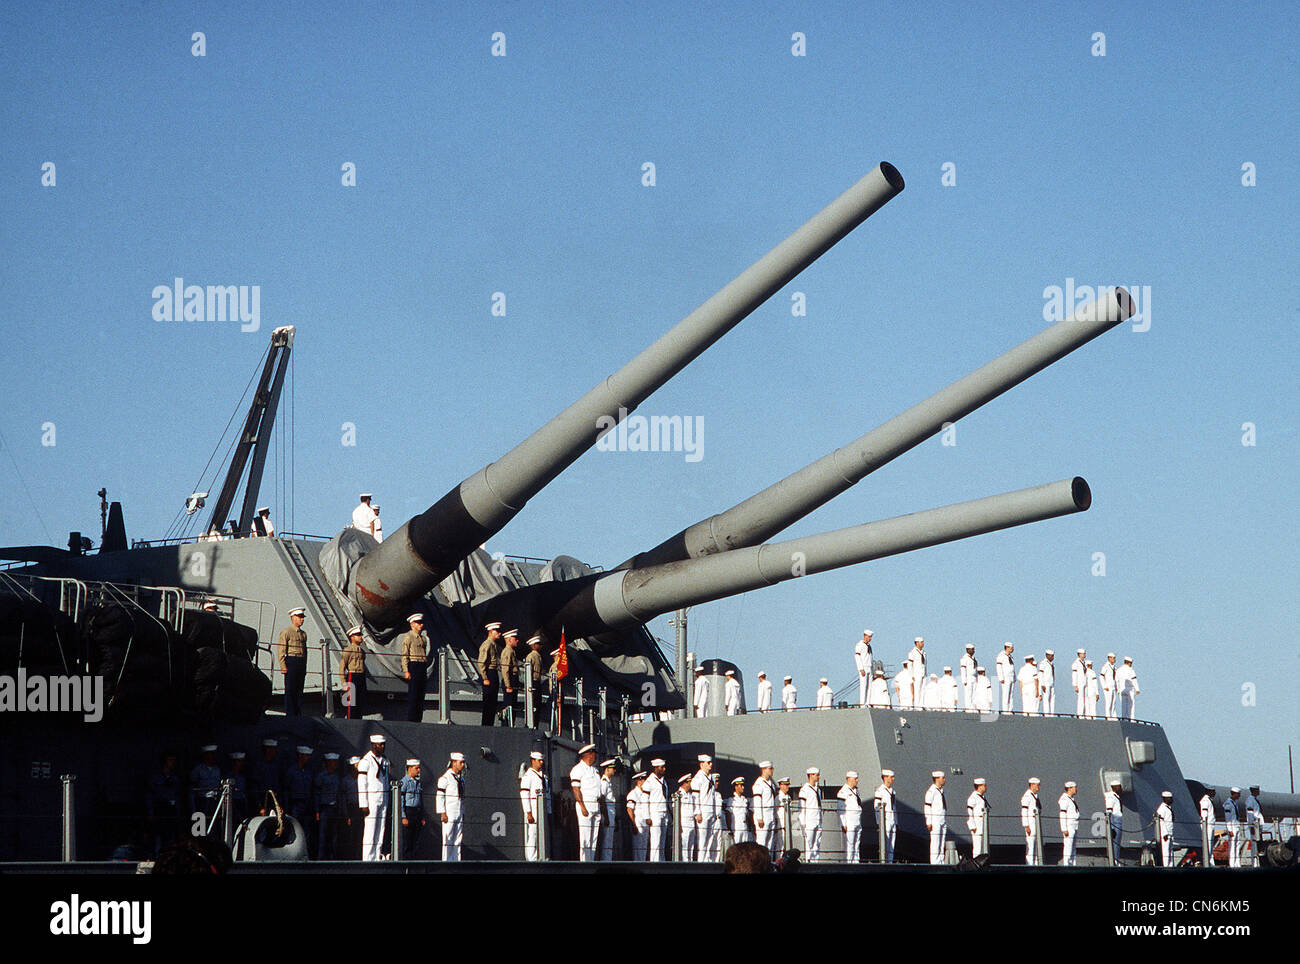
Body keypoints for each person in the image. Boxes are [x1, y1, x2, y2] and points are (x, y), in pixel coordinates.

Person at [357, 735, 391, 861]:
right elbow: (362, 783)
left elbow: (385, 781)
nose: (382, 747)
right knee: (370, 831)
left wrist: (387, 800)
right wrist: (364, 804)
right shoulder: (366, 761)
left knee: (380, 830)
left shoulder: (384, 761)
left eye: (383, 745)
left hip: (382, 798)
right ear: (373, 745)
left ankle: (377, 857)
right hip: (371, 799)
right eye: (379, 745)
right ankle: (367, 859)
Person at [145, 751, 183, 856]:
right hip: (159, 809)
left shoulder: (175, 779)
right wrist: (151, 813)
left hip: (171, 811)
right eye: (170, 760)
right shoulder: (155, 778)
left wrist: (178, 813)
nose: (173, 763)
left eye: (174, 760)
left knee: (170, 838)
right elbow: (149, 796)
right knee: (157, 838)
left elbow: (177, 797)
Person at [570, 744, 602, 862]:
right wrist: (582, 806)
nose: (595, 757)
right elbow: (576, 789)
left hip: (596, 805)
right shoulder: (578, 769)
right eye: (594, 754)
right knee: (585, 837)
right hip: (585, 805)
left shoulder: (595, 770)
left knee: (594, 838)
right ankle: (585, 863)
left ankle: (591, 861)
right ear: (589, 755)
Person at [435, 752, 467, 860]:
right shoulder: (445, 778)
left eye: (463, 762)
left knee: (458, 839)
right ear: (454, 763)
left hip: (459, 812)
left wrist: (463, 812)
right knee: (448, 838)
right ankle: (446, 861)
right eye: (461, 762)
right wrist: (442, 812)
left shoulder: (461, 779)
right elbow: (440, 796)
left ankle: (456, 861)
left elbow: (462, 797)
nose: (463, 765)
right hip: (449, 812)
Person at [277, 607, 308, 717]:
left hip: (300, 662)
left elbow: (305, 651)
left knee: (299, 689)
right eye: (299, 617)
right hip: (291, 660)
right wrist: (283, 665)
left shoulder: (303, 634)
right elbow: (281, 650)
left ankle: (298, 714)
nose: (302, 619)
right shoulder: (287, 632)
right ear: (293, 617)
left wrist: (304, 665)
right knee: (290, 689)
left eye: (302, 617)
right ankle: (290, 714)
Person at [520, 751, 550, 861]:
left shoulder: (543, 777)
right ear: (533, 761)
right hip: (533, 808)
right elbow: (524, 794)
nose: (541, 762)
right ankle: (531, 858)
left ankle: (541, 856)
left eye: (542, 760)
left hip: (543, 808)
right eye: (539, 760)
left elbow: (547, 794)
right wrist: (528, 812)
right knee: (533, 834)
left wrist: (549, 810)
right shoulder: (528, 776)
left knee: (542, 833)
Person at [400, 613, 430, 723]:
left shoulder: (423, 639)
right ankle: (412, 718)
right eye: (418, 623)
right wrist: (406, 670)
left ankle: (418, 718)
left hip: (422, 666)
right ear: (412, 624)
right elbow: (405, 655)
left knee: (421, 694)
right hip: (414, 665)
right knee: (413, 693)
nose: (421, 625)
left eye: (421, 623)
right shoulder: (409, 638)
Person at [314, 753, 344, 860]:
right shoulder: (321, 776)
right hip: (324, 809)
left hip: (334, 809)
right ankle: (320, 858)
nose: (335, 764)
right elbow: (317, 794)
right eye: (333, 762)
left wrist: (340, 809)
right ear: (328, 763)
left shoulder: (336, 777)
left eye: (336, 762)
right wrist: (317, 811)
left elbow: (339, 794)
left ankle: (332, 859)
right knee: (322, 836)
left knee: (334, 836)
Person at [285, 746, 316, 847]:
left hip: (307, 804)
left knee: (306, 831)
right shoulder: (291, 771)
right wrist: (286, 807)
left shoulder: (309, 771)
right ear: (300, 756)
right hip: (295, 804)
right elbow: (286, 789)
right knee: (294, 829)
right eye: (306, 756)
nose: (308, 758)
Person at [692, 755, 720, 862]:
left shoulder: (711, 777)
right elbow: (695, 797)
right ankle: (701, 862)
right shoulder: (698, 778)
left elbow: (712, 796)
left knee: (710, 839)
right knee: (702, 840)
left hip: (711, 811)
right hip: (703, 812)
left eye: (710, 762)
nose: (710, 764)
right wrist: (697, 812)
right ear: (701, 764)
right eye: (708, 763)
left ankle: (707, 860)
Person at [643, 758, 670, 861]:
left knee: (662, 841)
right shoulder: (649, 782)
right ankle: (654, 862)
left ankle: (661, 862)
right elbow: (644, 800)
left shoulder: (664, 781)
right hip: (655, 813)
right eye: (661, 767)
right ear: (656, 768)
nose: (664, 769)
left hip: (664, 812)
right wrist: (647, 816)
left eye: (664, 767)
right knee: (655, 841)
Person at [338, 625, 367, 719]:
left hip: (361, 676)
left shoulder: (362, 651)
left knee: (360, 701)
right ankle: (351, 720)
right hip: (352, 676)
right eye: (358, 635)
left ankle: (359, 719)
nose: (360, 637)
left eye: (360, 635)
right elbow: (342, 667)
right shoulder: (348, 650)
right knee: (351, 701)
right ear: (352, 637)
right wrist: (344, 683)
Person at [188, 744, 222, 826]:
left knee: (215, 823)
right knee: (202, 824)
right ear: (206, 755)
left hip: (215, 800)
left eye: (214, 754)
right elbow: (192, 785)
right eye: (211, 754)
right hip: (202, 800)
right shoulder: (198, 769)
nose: (213, 757)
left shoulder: (217, 769)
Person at [400, 759, 427, 859]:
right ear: (410, 768)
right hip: (409, 812)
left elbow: (420, 800)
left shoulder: (418, 782)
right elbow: (401, 800)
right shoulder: (404, 782)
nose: (419, 770)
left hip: (417, 812)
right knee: (408, 840)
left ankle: (414, 862)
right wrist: (403, 816)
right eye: (416, 768)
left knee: (416, 840)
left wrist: (422, 816)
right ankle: (407, 863)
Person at [477, 622, 503, 726]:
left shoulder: (494, 645)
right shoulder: (487, 644)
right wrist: (485, 677)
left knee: (493, 702)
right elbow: (481, 662)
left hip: (494, 673)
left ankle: (490, 724)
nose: (499, 633)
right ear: (491, 632)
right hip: (489, 673)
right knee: (488, 702)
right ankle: (486, 725)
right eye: (497, 631)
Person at [250, 738, 284, 816]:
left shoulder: (276, 766)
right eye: (272, 749)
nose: (274, 751)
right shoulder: (258, 766)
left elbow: (279, 786)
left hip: (274, 800)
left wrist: (280, 805)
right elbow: (254, 787)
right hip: (262, 800)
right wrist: (260, 807)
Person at [752, 761, 778, 853]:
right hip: (764, 815)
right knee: (762, 842)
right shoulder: (759, 784)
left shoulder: (771, 784)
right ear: (764, 770)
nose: (772, 770)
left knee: (770, 843)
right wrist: (760, 818)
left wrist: (775, 816)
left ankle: (768, 860)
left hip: (771, 814)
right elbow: (757, 802)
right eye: (770, 769)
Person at [837, 771, 862, 863]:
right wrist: (843, 823)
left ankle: (856, 862)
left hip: (857, 820)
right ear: (849, 779)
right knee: (849, 845)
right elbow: (840, 808)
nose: (857, 780)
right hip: (849, 821)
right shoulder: (843, 792)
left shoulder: (856, 791)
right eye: (855, 779)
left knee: (856, 844)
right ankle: (849, 863)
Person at [498, 629, 521, 725]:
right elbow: (505, 669)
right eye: (515, 639)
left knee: (512, 704)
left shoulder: (511, 651)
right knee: (509, 704)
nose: (517, 640)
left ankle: (509, 724)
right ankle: (506, 725)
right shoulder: (508, 651)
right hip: (510, 679)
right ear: (509, 640)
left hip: (512, 679)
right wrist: (508, 685)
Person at [799, 767, 823, 862]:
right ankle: (808, 862)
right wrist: (803, 822)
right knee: (809, 843)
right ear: (811, 775)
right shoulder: (805, 790)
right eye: (817, 775)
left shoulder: (818, 790)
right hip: (809, 819)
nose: (818, 777)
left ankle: (815, 862)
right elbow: (801, 807)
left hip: (818, 818)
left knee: (817, 843)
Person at [925, 771, 948, 864]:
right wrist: (929, 821)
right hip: (935, 820)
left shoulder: (941, 791)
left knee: (942, 842)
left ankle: (941, 861)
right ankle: (934, 862)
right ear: (937, 779)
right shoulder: (931, 791)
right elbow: (927, 807)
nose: (944, 780)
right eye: (943, 778)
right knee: (935, 842)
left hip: (942, 819)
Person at [874, 769, 897, 862]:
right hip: (885, 820)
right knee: (885, 844)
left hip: (892, 820)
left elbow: (894, 807)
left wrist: (896, 822)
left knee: (892, 843)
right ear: (885, 778)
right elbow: (877, 808)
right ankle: (884, 862)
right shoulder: (880, 791)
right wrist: (879, 822)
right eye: (891, 777)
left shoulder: (892, 791)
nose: (893, 779)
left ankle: (890, 861)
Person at [524, 634, 547, 727]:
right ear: (534, 645)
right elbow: (528, 671)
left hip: (537, 682)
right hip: (532, 682)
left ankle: (535, 725)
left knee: (537, 705)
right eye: (538, 644)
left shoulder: (538, 656)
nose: (540, 646)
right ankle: (531, 724)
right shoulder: (531, 656)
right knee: (533, 705)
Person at [598, 759, 618, 860]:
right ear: (607, 769)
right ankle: (606, 861)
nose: (614, 770)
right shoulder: (604, 783)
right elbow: (602, 800)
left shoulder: (608, 782)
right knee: (607, 840)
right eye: (612, 768)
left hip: (611, 813)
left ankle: (608, 860)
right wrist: (606, 817)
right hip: (607, 813)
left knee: (609, 840)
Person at [626, 771, 648, 860]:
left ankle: (643, 863)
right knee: (638, 848)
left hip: (645, 823)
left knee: (644, 847)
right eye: (644, 780)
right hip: (638, 823)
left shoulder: (645, 794)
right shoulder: (633, 793)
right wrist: (633, 824)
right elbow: (629, 809)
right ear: (639, 781)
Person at [1021, 777, 1042, 865]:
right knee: (1031, 845)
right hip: (1030, 823)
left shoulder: (1035, 796)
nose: (1039, 787)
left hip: (1036, 823)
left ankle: (1037, 863)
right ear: (1032, 785)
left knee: (1037, 845)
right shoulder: (1027, 796)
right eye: (1037, 785)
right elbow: (1024, 811)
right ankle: (1029, 864)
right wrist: (1026, 825)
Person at [676, 774, 698, 861]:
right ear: (684, 783)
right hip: (683, 821)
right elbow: (675, 809)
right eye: (689, 782)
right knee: (685, 844)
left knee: (691, 844)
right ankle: (684, 861)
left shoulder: (690, 795)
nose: (690, 784)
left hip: (691, 821)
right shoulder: (678, 794)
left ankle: (690, 860)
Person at [966, 778, 989, 858]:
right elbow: (970, 812)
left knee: (983, 846)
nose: (986, 787)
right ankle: (976, 862)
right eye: (984, 785)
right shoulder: (973, 797)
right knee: (977, 847)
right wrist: (973, 826)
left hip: (983, 825)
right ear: (979, 787)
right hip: (977, 825)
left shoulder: (982, 797)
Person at [1059, 781, 1080, 866]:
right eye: (1075, 787)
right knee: (1068, 846)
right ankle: (1067, 864)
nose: (1076, 789)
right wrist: (1064, 828)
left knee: (1073, 847)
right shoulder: (1065, 799)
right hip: (1069, 825)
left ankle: (1072, 864)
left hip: (1074, 825)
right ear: (1070, 788)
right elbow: (1062, 814)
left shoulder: (1070, 799)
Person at [728, 777, 752, 844]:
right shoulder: (732, 800)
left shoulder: (744, 799)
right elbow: (728, 814)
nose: (743, 787)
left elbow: (747, 814)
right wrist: (730, 828)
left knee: (745, 846)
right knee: (737, 846)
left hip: (744, 827)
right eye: (741, 786)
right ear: (736, 787)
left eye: (743, 786)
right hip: (736, 828)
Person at [1104, 778, 1124, 860]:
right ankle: (1114, 861)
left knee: (1117, 845)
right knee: (1115, 845)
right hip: (1114, 824)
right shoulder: (1111, 797)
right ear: (1115, 787)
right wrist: (1111, 828)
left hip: (1118, 823)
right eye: (1119, 787)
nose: (1121, 789)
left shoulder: (1116, 797)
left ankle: (1116, 860)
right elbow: (1109, 812)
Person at [1245, 786, 1264, 868]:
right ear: (1254, 791)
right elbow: (1250, 814)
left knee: (1257, 843)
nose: (1259, 791)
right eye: (1257, 790)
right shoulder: (1250, 800)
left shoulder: (1254, 800)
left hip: (1257, 825)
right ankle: (1254, 863)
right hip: (1254, 825)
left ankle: (1257, 862)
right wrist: (1251, 825)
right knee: (1254, 844)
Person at [1223, 787, 1242, 868]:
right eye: (1238, 794)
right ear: (1234, 793)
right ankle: (1232, 864)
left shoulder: (1234, 803)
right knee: (1232, 846)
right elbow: (1227, 818)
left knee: (1237, 845)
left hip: (1237, 826)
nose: (1239, 796)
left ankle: (1237, 863)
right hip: (1232, 827)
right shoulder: (1228, 803)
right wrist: (1229, 829)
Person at [1155, 790, 1175, 867]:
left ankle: (1170, 866)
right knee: (1166, 852)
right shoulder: (1162, 809)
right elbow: (1161, 822)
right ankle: (1166, 866)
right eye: (1169, 798)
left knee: (1170, 852)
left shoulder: (1168, 808)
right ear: (1165, 798)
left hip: (1170, 833)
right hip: (1165, 834)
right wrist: (1164, 833)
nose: (1171, 800)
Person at [855, 630, 874, 706]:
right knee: (863, 686)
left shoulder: (869, 646)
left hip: (869, 666)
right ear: (865, 636)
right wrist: (860, 668)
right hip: (864, 667)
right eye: (869, 637)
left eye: (871, 637)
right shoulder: (860, 645)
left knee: (869, 686)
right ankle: (862, 703)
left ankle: (867, 702)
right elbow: (857, 656)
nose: (870, 638)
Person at [907, 637, 928, 705]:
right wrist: (911, 675)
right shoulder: (912, 652)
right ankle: (917, 705)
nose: (923, 643)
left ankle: (921, 704)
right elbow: (910, 665)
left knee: (923, 690)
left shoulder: (924, 653)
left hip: (923, 673)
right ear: (917, 643)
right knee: (917, 690)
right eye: (921, 642)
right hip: (916, 673)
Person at [1198, 787, 1217, 861]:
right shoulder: (1205, 801)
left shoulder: (1209, 800)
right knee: (1208, 845)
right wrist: (1204, 827)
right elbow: (1204, 815)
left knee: (1210, 845)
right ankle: (1207, 861)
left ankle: (1210, 861)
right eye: (1213, 791)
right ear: (1209, 791)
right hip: (1207, 826)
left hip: (1210, 825)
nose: (1215, 793)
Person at [996, 642, 1015, 712]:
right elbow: (999, 667)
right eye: (1011, 648)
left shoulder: (1010, 657)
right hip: (1005, 677)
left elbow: (1012, 667)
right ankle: (1005, 710)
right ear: (1007, 648)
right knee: (1006, 694)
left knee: (1011, 695)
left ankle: (1010, 710)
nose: (1012, 649)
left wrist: (1014, 677)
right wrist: (1001, 678)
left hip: (1011, 677)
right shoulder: (1001, 655)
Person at [775, 778, 792, 853]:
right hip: (780, 824)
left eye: (788, 785)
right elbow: (775, 812)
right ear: (781, 786)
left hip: (788, 824)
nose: (787, 787)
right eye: (785, 785)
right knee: (780, 845)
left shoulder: (788, 797)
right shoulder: (778, 798)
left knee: (787, 844)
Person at [1100, 653, 1119, 720]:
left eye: (1114, 658)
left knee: (1113, 702)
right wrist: (1104, 686)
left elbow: (1115, 678)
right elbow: (1101, 676)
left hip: (1113, 686)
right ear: (1109, 658)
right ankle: (1108, 716)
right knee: (1109, 702)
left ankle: (1113, 716)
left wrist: (1117, 687)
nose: (1114, 659)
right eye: (1113, 658)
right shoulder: (1106, 666)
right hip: (1108, 687)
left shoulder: (1114, 668)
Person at [959, 644, 977, 708]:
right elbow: (963, 669)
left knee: (974, 694)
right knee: (968, 694)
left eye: (973, 649)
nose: (973, 651)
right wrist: (964, 680)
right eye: (972, 649)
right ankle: (968, 707)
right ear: (967, 650)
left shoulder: (973, 659)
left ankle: (973, 708)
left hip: (974, 678)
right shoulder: (964, 658)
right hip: (968, 678)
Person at [1039, 650, 1056, 714]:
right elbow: (1040, 675)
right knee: (1046, 698)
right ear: (1047, 655)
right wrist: (1042, 684)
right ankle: (1046, 713)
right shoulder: (1043, 663)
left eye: (1053, 656)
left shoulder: (1051, 664)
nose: (1052, 657)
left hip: (1051, 683)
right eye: (1051, 656)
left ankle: (1052, 713)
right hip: (1046, 683)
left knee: (1052, 698)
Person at [1070, 648, 1087, 715]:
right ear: (1079, 654)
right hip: (1079, 682)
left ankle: (1084, 713)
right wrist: (1075, 685)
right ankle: (1080, 714)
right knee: (1081, 699)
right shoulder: (1076, 663)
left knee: (1085, 699)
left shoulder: (1084, 663)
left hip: (1084, 682)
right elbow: (1074, 674)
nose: (1085, 655)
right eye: (1083, 653)